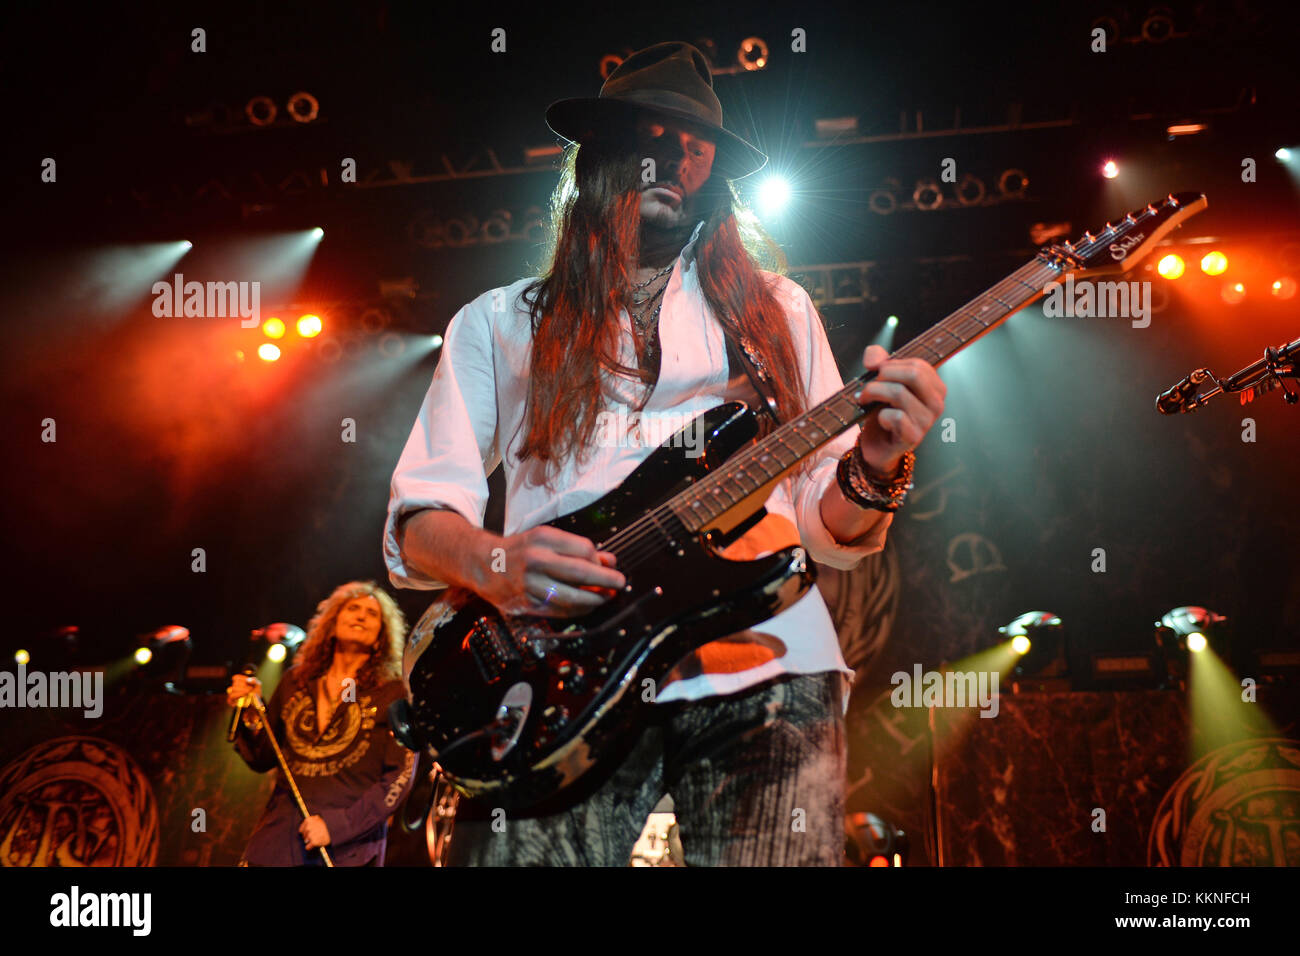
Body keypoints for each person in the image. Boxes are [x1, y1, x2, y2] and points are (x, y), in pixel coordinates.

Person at [384, 41, 946, 865]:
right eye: (654, 133)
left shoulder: (777, 314)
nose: (675, 157)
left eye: (696, 143)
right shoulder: (502, 322)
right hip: (562, 673)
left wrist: (881, 457)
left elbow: (830, 526)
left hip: (766, 660)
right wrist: (498, 562)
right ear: (601, 154)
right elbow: (420, 521)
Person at [227, 581, 418, 866]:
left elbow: (400, 777)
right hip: (274, 846)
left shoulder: (394, 693)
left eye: (372, 613)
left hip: (346, 852)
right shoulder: (295, 681)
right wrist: (252, 714)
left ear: (381, 636)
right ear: (332, 624)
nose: (361, 615)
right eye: (352, 608)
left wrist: (338, 826)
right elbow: (262, 756)